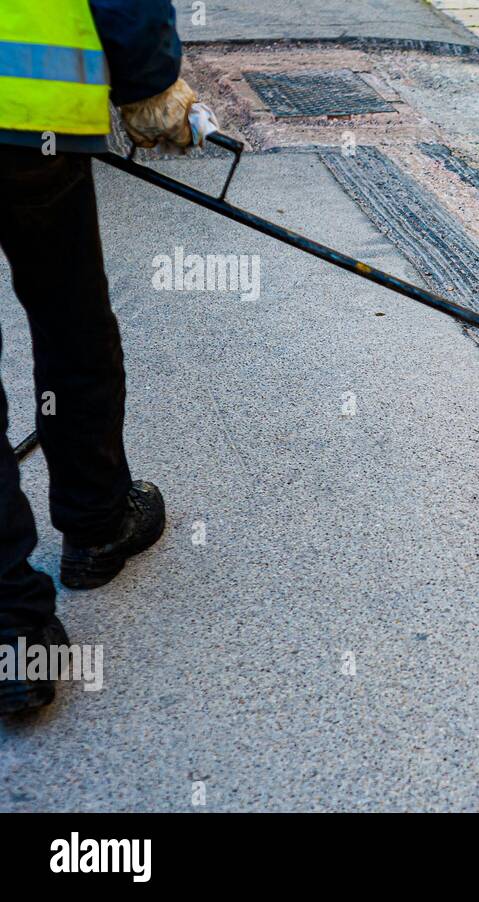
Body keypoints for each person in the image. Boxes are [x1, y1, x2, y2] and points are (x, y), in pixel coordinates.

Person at [0, 0, 203, 715]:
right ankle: (95, 527)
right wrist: (151, 88)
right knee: (70, 319)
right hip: (33, 115)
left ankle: (13, 633)